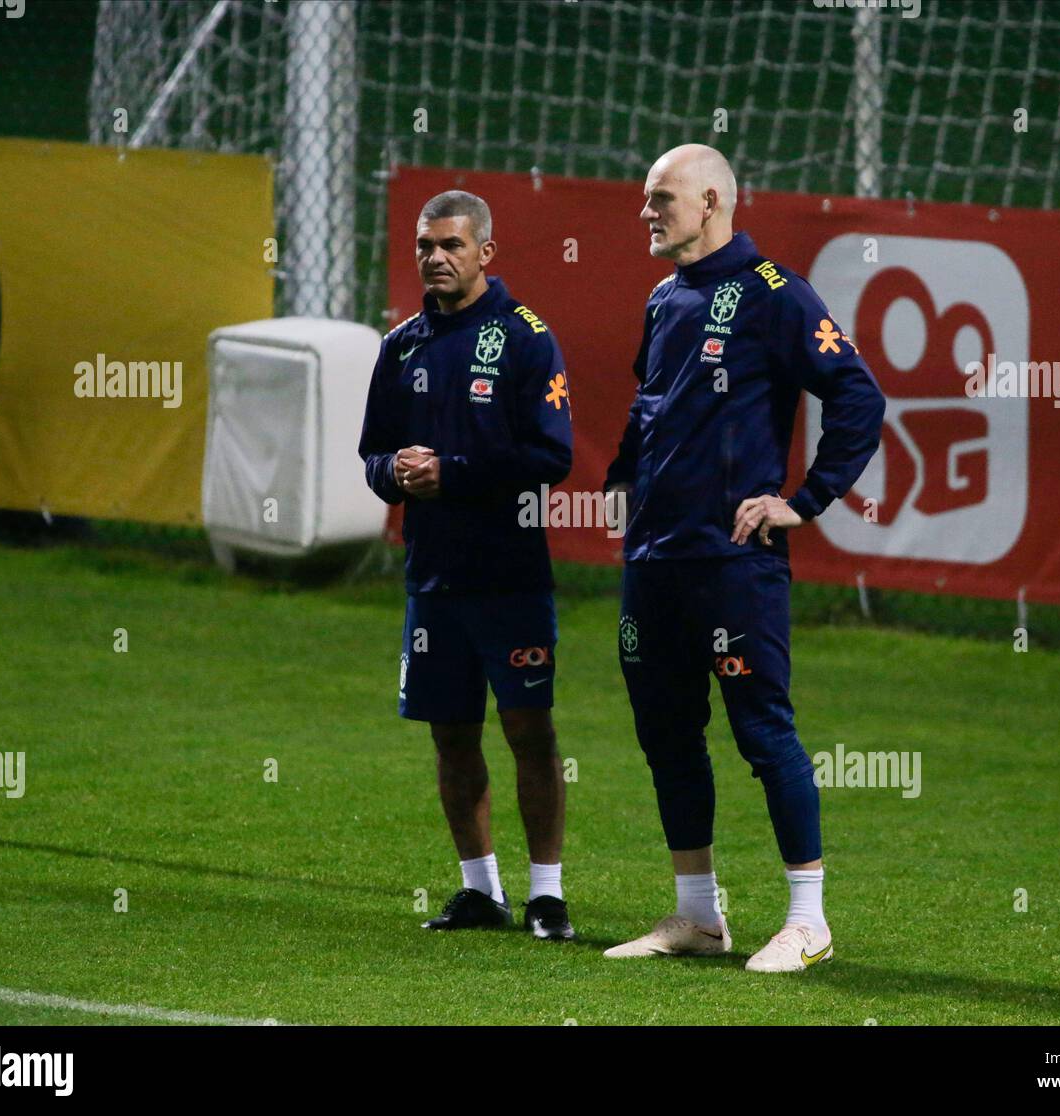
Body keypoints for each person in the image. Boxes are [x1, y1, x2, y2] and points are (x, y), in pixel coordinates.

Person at [603, 145, 886, 972]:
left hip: (734, 565)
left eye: (662, 199)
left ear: (714, 200)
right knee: (667, 735)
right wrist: (626, 480)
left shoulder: (775, 294)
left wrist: (803, 501)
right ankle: (699, 914)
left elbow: (859, 395)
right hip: (654, 562)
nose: (647, 213)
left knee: (763, 733)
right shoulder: (663, 298)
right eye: (647, 199)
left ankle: (809, 921)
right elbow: (651, 405)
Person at [359, 190, 576, 941]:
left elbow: (552, 455)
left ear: (486, 251)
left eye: (452, 245)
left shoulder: (525, 338)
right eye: (425, 246)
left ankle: (546, 895)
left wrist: (450, 471)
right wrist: (398, 473)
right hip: (434, 579)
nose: (436, 258)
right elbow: (371, 457)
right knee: (451, 735)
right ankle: (480, 889)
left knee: (529, 731)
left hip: (511, 574)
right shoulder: (401, 346)